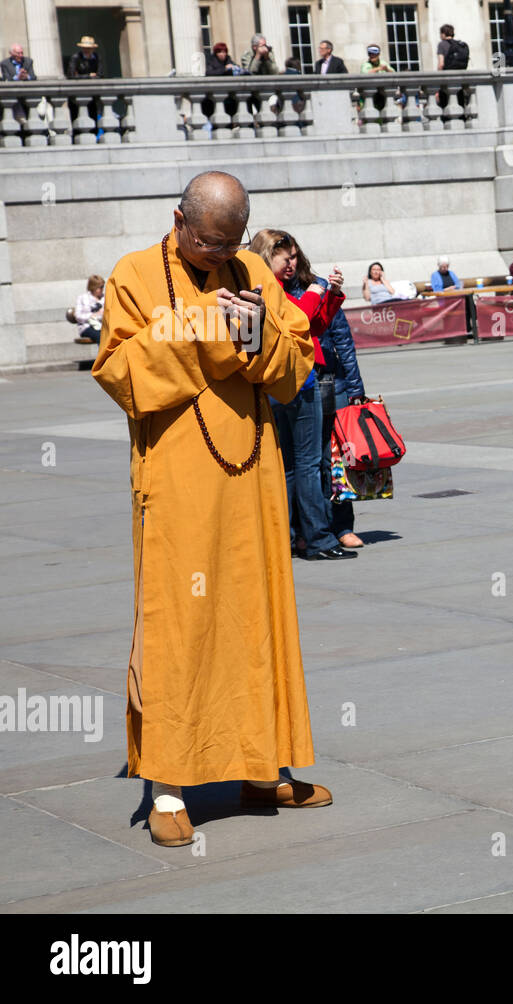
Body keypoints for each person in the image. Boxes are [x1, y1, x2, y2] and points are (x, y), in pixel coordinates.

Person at [90, 171, 330, 848]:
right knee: (181, 626)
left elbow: (295, 365)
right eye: (204, 245)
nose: (216, 257)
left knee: (256, 621)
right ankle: (167, 786)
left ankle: (262, 766)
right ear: (178, 221)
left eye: (227, 244)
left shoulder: (253, 267)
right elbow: (120, 374)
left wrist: (255, 342)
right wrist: (209, 333)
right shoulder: (134, 275)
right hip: (179, 488)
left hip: (251, 479)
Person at [251, 229, 352, 561]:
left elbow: (315, 327)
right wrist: (315, 291)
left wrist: (331, 295)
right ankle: (319, 537)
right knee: (310, 463)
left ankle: (296, 537)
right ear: (268, 256)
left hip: (285, 383)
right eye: (285, 257)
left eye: (294, 256)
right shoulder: (268, 288)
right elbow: (299, 319)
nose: (292, 263)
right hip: (298, 380)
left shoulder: (270, 287)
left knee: (294, 465)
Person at [302, 262, 367, 551]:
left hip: (332, 383)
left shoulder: (320, 289)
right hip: (298, 387)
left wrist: (355, 389)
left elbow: (343, 341)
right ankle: (308, 528)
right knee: (307, 463)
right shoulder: (277, 291)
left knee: (335, 461)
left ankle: (341, 526)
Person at [73, 275, 106, 344]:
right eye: (100, 287)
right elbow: (78, 316)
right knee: (101, 336)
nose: (102, 289)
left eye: (103, 286)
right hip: (87, 327)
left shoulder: (105, 298)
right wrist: (94, 315)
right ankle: (104, 354)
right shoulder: (82, 298)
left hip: (104, 326)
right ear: (93, 287)